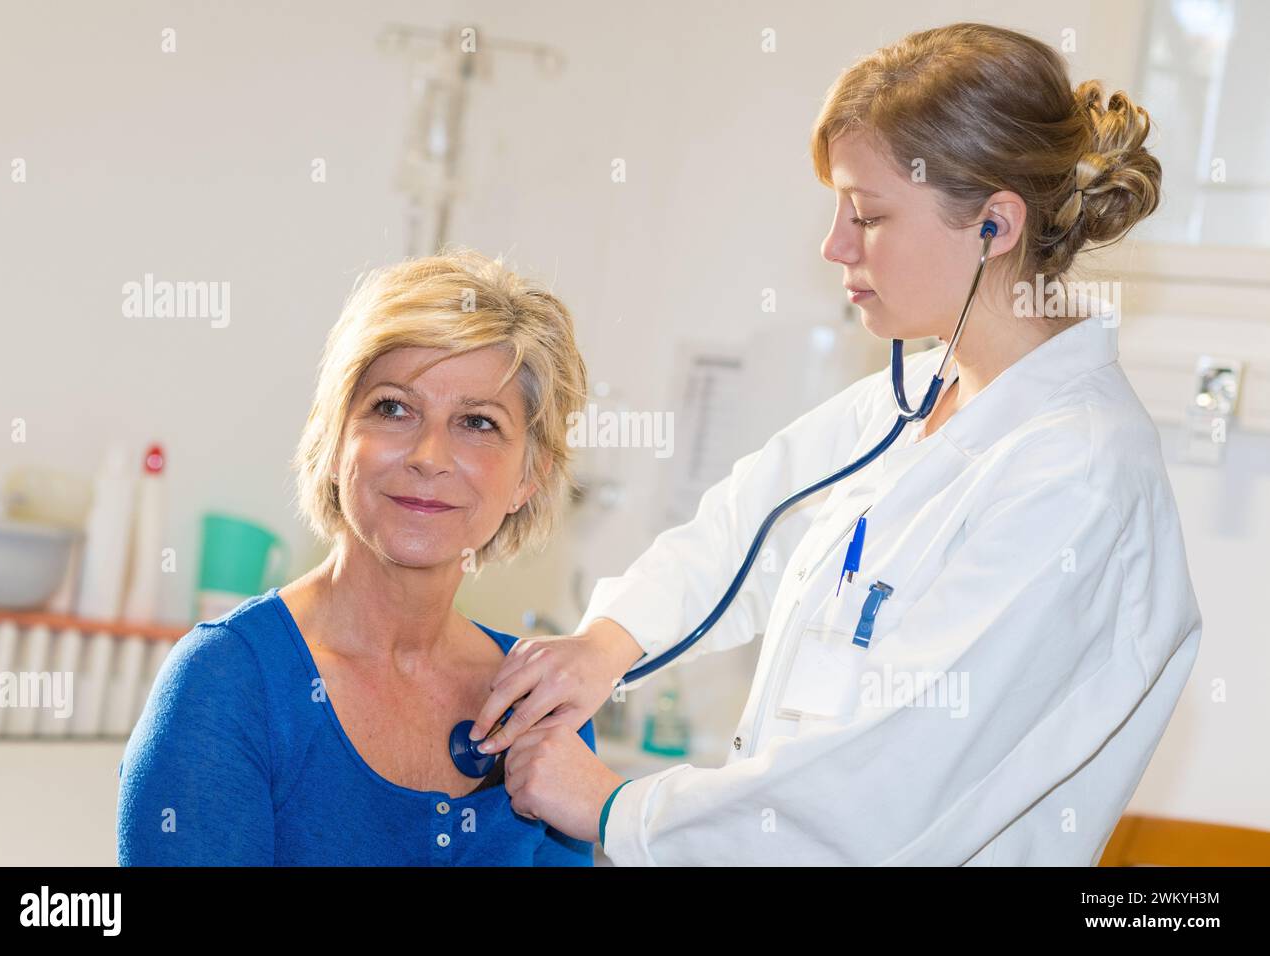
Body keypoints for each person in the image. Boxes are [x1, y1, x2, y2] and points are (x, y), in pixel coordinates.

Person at [466, 22, 1202, 865]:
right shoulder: (904, 405)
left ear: (995, 226)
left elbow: (884, 787)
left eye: (869, 215)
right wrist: (604, 647)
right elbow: (742, 537)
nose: (833, 247)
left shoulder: (1079, 473)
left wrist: (615, 809)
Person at [117, 249, 596, 865]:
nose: (429, 455)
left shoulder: (541, 704)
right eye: (394, 408)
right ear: (337, 436)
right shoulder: (229, 683)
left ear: (529, 477)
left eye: (477, 422)